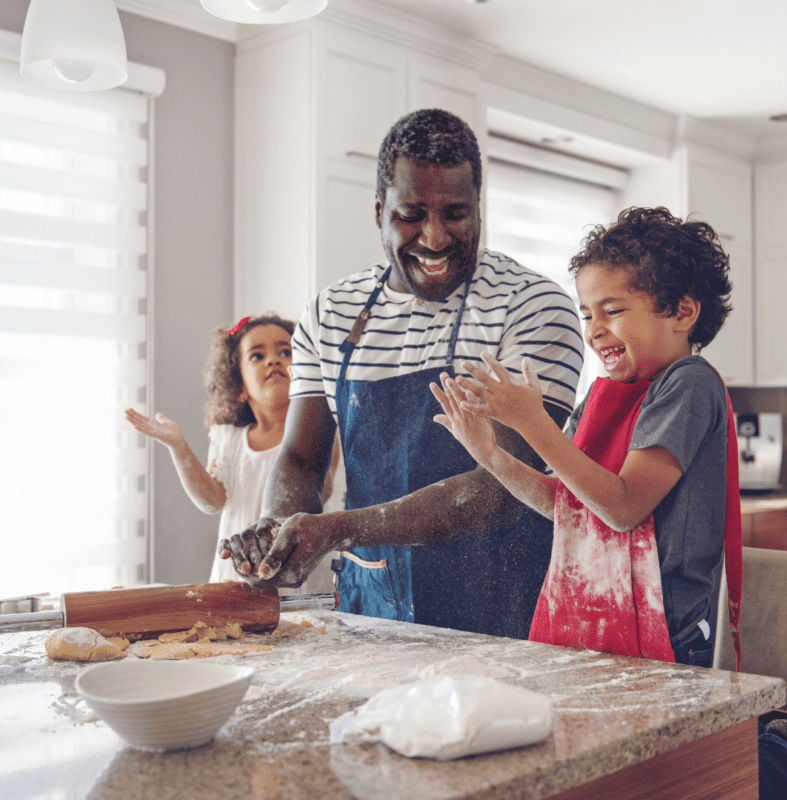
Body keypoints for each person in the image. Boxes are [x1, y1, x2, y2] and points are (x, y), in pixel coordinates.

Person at [219, 108, 584, 640]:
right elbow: (300, 458)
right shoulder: (331, 313)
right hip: (370, 616)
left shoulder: (531, 306)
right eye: (412, 213)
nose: (435, 238)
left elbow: (502, 486)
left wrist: (339, 529)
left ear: (479, 208)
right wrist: (278, 531)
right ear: (379, 211)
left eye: (456, 213)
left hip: (506, 612)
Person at [431, 206, 742, 666]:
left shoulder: (689, 384)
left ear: (682, 312)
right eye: (586, 315)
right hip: (598, 628)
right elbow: (566, 507)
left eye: (612, 311)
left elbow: (622, 506)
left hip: (668, 643)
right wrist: (491, 455)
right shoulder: (600, 399)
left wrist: (533, 423)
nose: (595, 332)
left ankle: (776, 740)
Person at [125, 313, 340, 587]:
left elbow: (323, 491)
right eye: (257, 356)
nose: (273, 360)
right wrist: (178, 446)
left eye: (286, 352)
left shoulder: (322, 429)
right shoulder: (228, 439)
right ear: (239, 387)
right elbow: (212, 500)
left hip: (296, 582)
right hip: (235, 580)